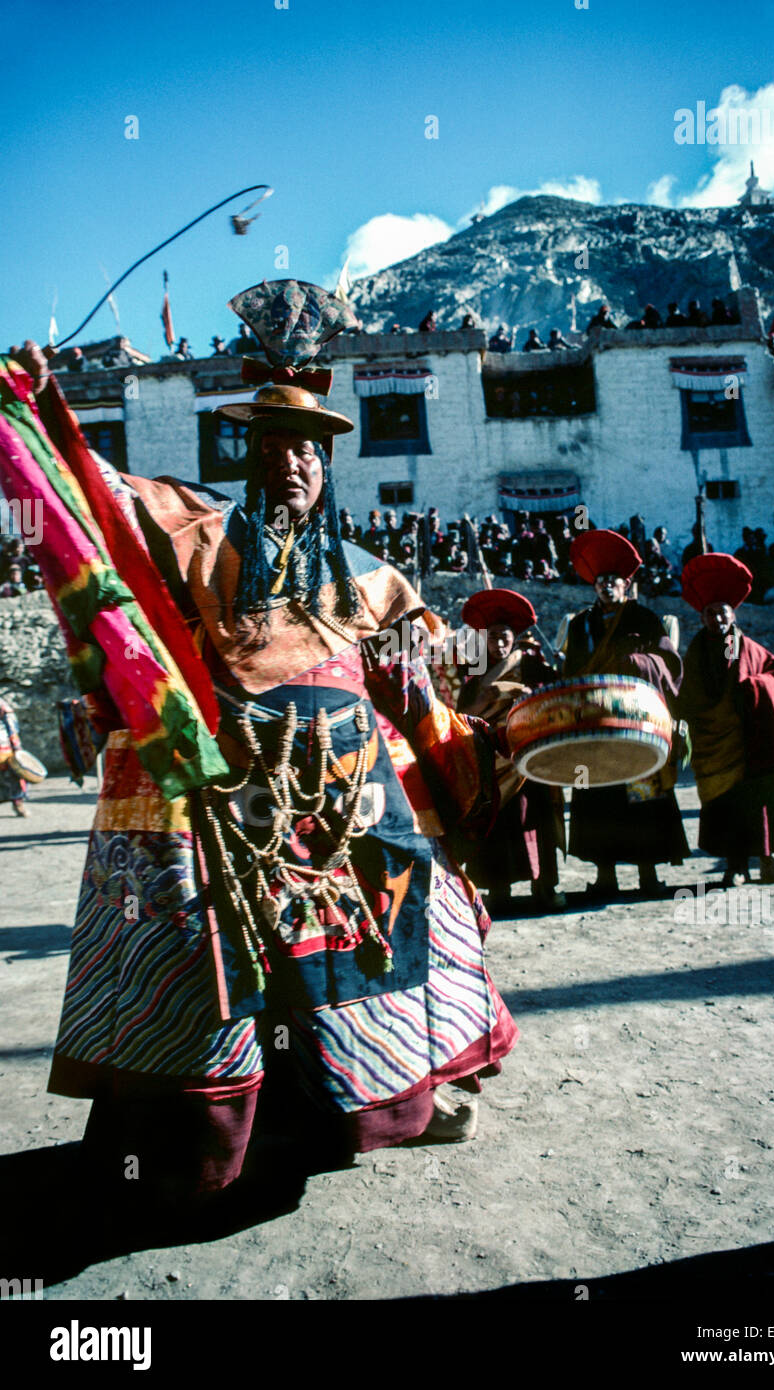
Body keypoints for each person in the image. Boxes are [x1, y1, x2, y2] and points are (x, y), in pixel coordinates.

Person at [8, 285, 517, 1211]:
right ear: (249, 452)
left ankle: (390, 1099)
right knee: (212, 962)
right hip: (234, 803)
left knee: (394, 929)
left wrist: (471, 753)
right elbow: (99, 501)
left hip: (352, 804)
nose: (291, 463)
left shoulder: (373, 578)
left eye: (308, 448)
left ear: (328, 462)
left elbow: (413, 693)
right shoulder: (195, 540)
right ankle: (191, 1143)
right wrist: (47, 411)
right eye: (274, 444)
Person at [562, 530, 689, 898]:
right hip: (597, 726)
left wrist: (635, 662)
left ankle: (648, 874)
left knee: (643, 796)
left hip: (637, 723)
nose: (607, 587)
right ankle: (606, 876)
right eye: (600, 581)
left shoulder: (644, 619)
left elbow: (669, 663)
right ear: (593, 586)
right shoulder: (580, 624)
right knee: (600, 797)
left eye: (614, 580)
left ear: (626, 584)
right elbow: (570, 672)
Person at [677, 553, 774, 887]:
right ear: (701, 617)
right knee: (725, 806)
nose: (717, 618)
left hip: (752, 741)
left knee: (760, 803)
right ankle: (736, 865)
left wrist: (757, 689)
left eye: (722, 612)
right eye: (710, 613)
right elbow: (687, 695)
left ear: (734, 613)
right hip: (715, 745)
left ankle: (772, 861)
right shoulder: (697, 652)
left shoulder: (753, 651)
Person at [457, 589, 565, 913]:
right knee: (495, 822)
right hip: (491, 755)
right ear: (484, 639)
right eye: (492, 637)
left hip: (529, 755)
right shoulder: (473, 667)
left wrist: (531, 695)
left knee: (536, 819)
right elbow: (462, 708)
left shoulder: (531, 662)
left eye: (505, 636)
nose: (499, 643)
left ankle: (545, 888)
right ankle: (497, 891)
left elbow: (554, 692)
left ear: (514, 637)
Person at [0, 696, 30, 817]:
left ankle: (18, 804)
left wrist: (15, 743)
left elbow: (10, 722)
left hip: (2, 746)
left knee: (14, 775)